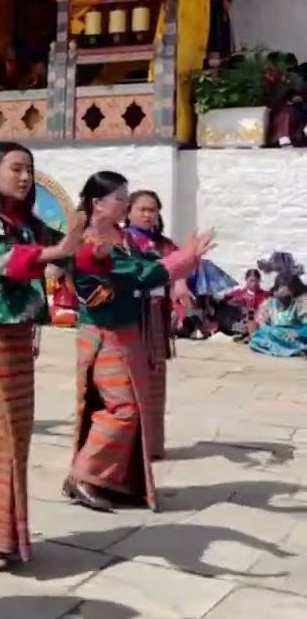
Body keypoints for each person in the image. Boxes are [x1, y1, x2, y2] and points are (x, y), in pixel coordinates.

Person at [0, 141, 84, 570]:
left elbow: (67, 249)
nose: (25, 177)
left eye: (30, 169)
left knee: (15, 436)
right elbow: (4, 260)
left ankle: (5, 530)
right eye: (16, 169)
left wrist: (91, 242)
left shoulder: (25, 222)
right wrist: (57, 253)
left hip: (16, 333)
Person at [65, 171, 210, 512]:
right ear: (97, 203)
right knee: (123, 407)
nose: (126, 204)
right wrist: (184, 258)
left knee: (133, 408)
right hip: (104, 333)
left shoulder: (121, 237)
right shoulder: (88, 241)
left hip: (126, 330)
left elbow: (145, 263)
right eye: (121, 198)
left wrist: (183, 258)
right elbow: (138, 275)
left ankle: (114, 480)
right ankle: (83, 475)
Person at [123, 190, 190, 460]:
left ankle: (151, 445)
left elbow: (179, 270)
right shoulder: (122, 242)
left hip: (155, 317)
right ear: (128, 211)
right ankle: (128, 446)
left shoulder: (165, 245)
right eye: (142, 209)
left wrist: (181, 286)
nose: (148, 214)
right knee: (127, 380)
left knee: (155, 379)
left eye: (152, 210)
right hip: (128, 316)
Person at [249, 253, 307, 358]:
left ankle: (299, 348)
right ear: (275, 291)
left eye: (287, 293)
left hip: (293, 335)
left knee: (275, 333)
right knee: (258, 337)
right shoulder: (271, 303)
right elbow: (261, 324)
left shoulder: (299, 304)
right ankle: (285, 349)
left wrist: (298, 333)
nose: (283, 297)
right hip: (276, 334)